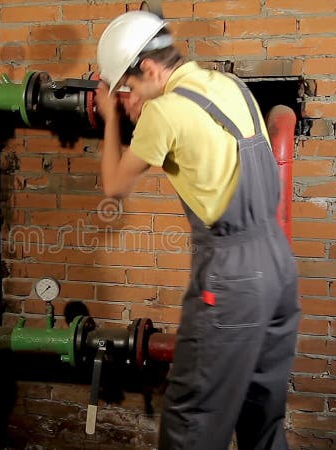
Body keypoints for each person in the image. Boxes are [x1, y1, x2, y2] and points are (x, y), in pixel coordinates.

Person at [93, 11, 301, 450]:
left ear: (148, 69)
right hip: (278, 265)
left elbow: (114, 184)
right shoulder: (230, 86)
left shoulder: (165, 113)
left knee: (193, 418)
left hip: (232, 277)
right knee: (261, 414)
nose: (128, 101)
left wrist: (111, 119)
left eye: (127, 89)